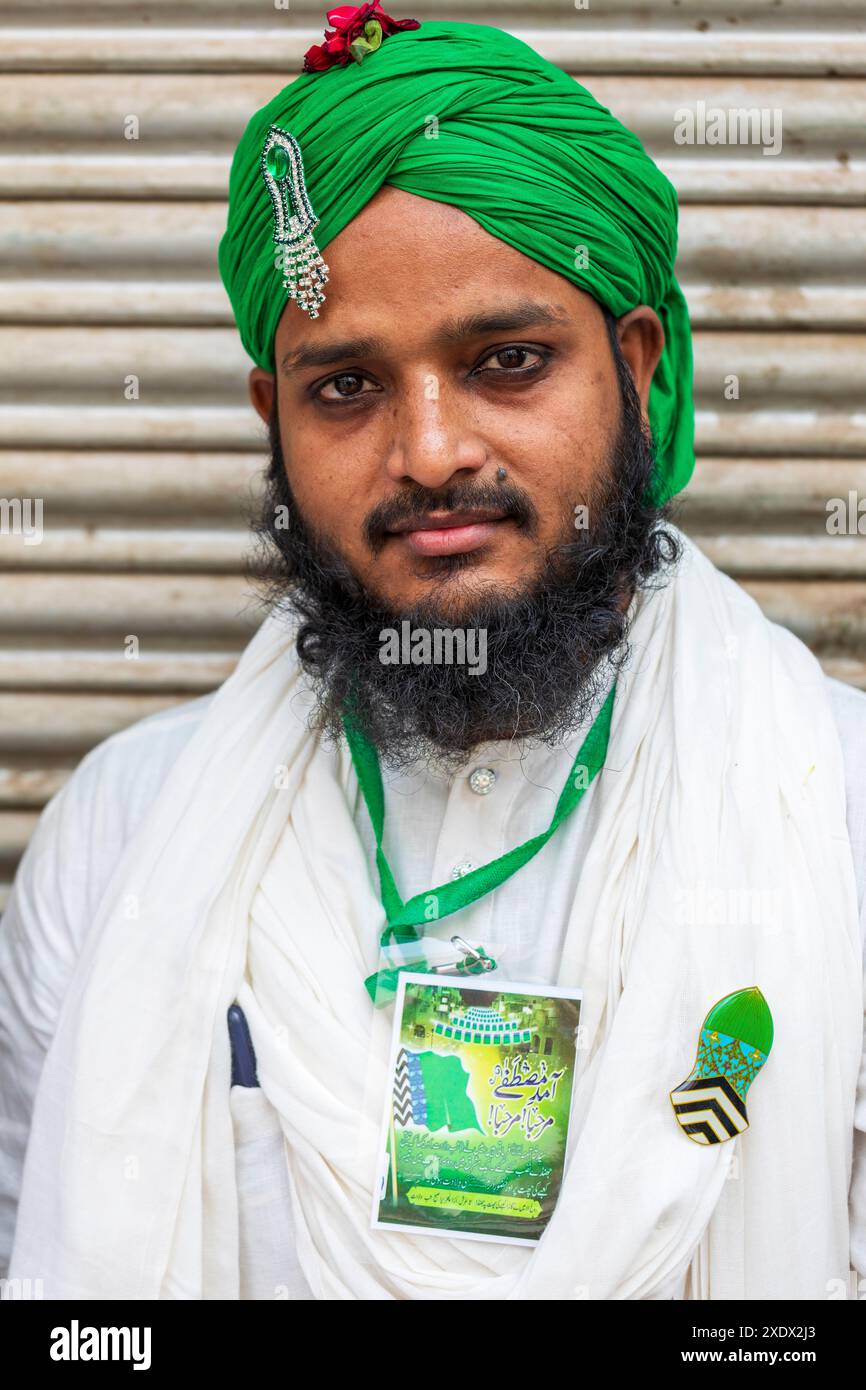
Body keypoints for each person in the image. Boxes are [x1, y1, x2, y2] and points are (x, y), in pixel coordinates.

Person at [1, 11, 864, 1300]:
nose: (430, 451)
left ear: (637, 366)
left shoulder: (840, 814)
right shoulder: (126, 837)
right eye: (344, 387)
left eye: (506, 363)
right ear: (273, 416)